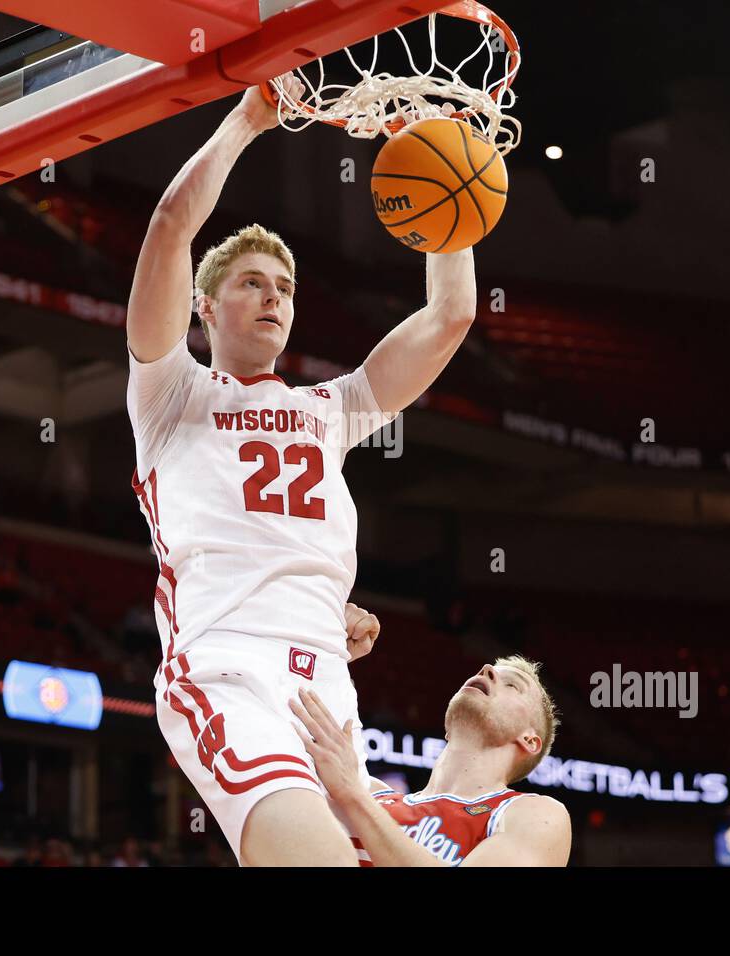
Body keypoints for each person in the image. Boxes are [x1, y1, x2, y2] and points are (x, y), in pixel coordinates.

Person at [125, 70, 475, 867]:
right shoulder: (170, 391)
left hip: (325, 683)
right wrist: (248, 120)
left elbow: (451, 316)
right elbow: (172, 224)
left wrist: (451, 186)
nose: (272, 297)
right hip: (228, 664)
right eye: (250, 283)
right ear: (204, 309)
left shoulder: (333, 408)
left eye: (283, 286)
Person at [290, 656, 572, 866]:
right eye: (487, 670)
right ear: (448, 726)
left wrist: (353, 796)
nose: (485, 671)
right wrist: (333, 656)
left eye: (512, 685)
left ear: (529, 740)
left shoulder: (534, 813)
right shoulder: (363, 786)